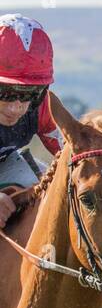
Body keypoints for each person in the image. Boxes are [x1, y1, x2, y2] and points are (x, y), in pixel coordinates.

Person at [0, 14, 60, 229]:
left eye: (30, 93)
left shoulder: (42, 106)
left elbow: (74, 154)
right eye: (5, 92)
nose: (17, 106)